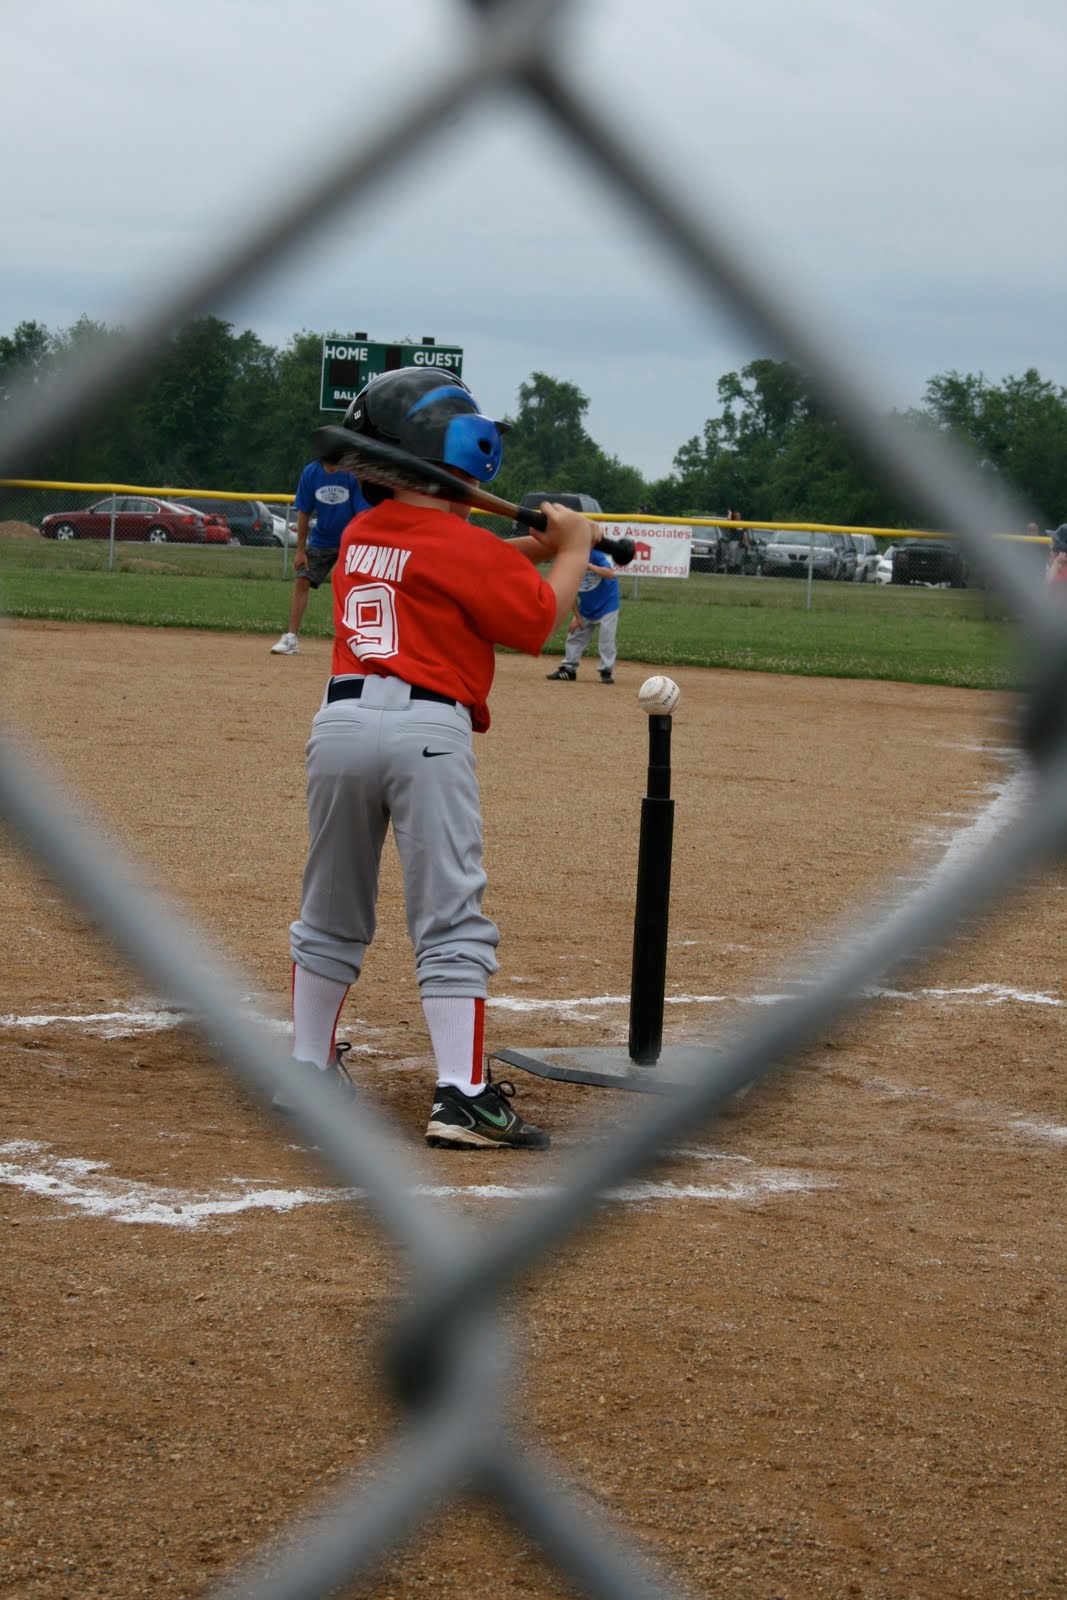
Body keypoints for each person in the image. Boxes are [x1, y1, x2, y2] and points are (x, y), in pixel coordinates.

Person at [277, 368, 596, 1150]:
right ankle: (462, 1097)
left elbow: (451, 560)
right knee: (449, 913)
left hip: (341, 727)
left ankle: (306, 1070)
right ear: (468, 452)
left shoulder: (362, 533)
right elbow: (532, 622)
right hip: (426, 735)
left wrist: (533, 543)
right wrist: (575, 550)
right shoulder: (462, 548)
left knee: (331, 905)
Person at [270, 458, 370, 655]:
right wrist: (300, 551)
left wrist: (360, 545)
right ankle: (291, 638)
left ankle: (359, 642)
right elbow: (303, 512)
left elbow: (362, 512)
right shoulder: (311, 472)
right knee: (302, 578)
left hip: (349, 538)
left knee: (353, 587)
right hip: (321, 540)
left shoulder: (350, 473)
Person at [543, 546, 621, 684]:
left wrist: (589, 566)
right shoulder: (568, 568)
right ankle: (568, 670)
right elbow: (571, 594)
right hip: (586, 606)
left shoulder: (595, 554)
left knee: (606, 638)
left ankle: (606, 670)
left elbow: (610, 573)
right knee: (575, 635)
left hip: (608, 602)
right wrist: (578, 617)